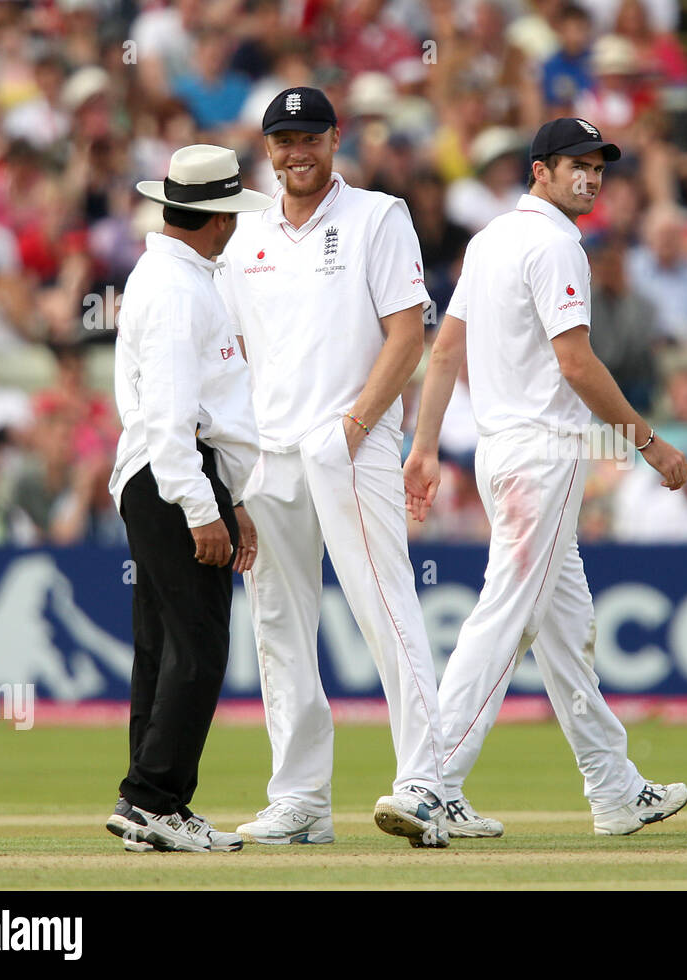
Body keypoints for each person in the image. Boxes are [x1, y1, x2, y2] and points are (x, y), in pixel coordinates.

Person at [404, 117, 687, 837]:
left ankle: (614, 786)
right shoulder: (559, 244)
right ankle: (430, 782)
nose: (590, 178)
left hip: (502, 452)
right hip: (544, 451)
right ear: (540, 170)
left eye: (598, 168)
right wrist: (650, 445)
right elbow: (576, 364)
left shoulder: (491, 238)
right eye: (575, 166)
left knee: (567, 626)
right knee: (508, 613)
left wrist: (426, 445)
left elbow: (444, 356)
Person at [214, 88, 451, 848]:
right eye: (284, 141)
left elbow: (407, 334)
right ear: (267, 147)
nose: (297, 152)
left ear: (335, 138)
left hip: (352, 441)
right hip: (268, 452)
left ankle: (426, 783)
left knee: (384, 609)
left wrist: (352, 427)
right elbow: (237, 348)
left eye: (310, 137)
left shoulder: (378, 216)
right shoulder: (244, 231)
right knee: (279, 627)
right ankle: (301, 799)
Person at [104, 144, 269, 853]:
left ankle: (150, 801)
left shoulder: (179, 276)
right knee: (197, 646)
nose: (234, 225)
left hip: (173, 473)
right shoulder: (175, 288)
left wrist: (223, 498)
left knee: (164, 645)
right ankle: (154, 800)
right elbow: (174, 417)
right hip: (172, 472)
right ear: (213, 218)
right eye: (228, 213)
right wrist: (200, 505)